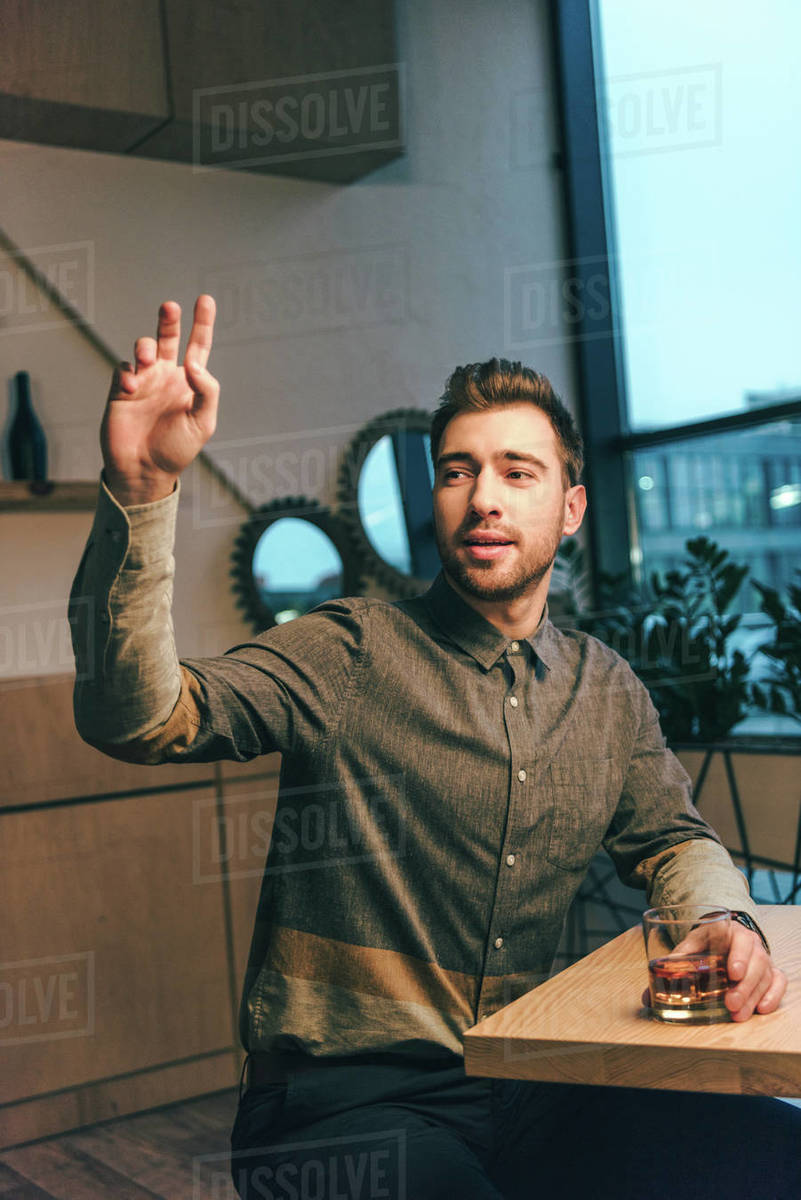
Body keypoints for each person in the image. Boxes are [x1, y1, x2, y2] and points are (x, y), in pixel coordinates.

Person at [70, 296, 799, 1199]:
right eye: (458, 472)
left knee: (771, 1157)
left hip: (541, 1076)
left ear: (570, 507)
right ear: (435, 498)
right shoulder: (346, 650)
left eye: (516, 472)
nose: (483, 496)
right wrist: (141, 488)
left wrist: (724, 919)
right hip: (341, 1106)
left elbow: (672, 839)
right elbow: (138, 718)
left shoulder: (607, 689)